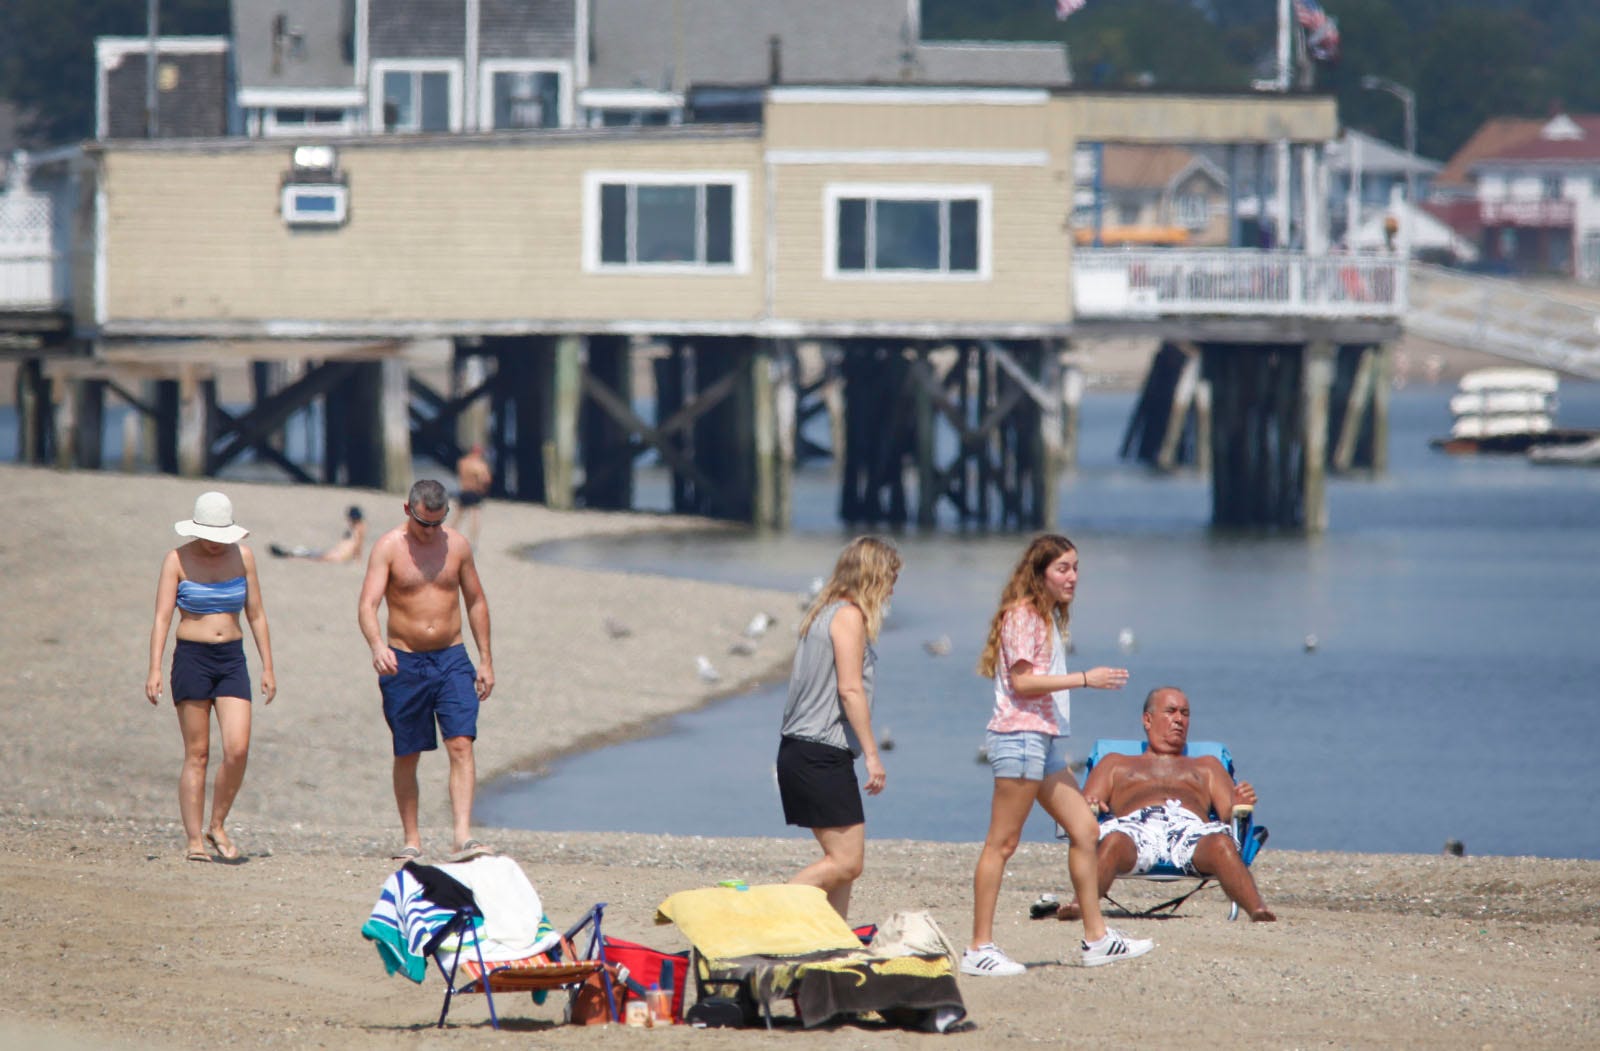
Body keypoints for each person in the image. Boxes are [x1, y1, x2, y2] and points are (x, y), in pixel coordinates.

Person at [963, 534, 1153, 975]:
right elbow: (1022, 682)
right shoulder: (1023, 615)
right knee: (1002, 843)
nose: (1072, 577)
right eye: (1062, 568)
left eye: (1075, 568)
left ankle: (1097, 939)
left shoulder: (1044, 615)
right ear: (1040, 573)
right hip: (1019, 738)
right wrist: (1086, 678)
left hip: (1043, 742)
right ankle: (978, 949)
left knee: (1085, 830)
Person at [358, 479, 495, 863]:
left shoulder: (457, 546)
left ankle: (462, 836)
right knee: (408, 751)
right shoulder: (388, 548)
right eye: (423, 523)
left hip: (452, 658)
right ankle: (412, 839)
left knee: (461, 742)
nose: (430, 531)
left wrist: (486, 659)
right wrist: (377, 646)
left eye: (438, 523)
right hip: (404, 661)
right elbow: (368, 605)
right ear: (408, 510)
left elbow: (476, 601)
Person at [1054, 686, 1275, 922]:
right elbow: (1084, 806)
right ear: (1147, 720)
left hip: (1191, 830)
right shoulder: (1114, 764)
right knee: (1114, 842)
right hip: (1134, 828)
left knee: (1222, 843)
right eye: (1171, 711)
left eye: (1185, 713)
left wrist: (1239, 802)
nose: (1179, 719)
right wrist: (1090, 802)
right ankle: (1080, 905)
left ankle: (1258, 910)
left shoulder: (1208, 766)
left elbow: (1228, 815)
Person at [145, 491, 276, 863]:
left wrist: (268, 666)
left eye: (221, 536)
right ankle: (194, 840)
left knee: (237, 749)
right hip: (192, 658)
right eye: (209, 536)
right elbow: (162, 618)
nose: (215, 544)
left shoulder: (243, 557)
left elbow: (256, 614)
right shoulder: (176, 560)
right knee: (198, 753)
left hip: (232, 659)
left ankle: (216, 824)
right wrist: (154, 668)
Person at [776, 536, 900, 919]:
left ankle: (837, 941)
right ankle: (765, 912)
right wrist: (874, 756)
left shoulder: (822, 612)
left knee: (842, 863)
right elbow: (850, 689)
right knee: (847, 862)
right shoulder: (848, 616)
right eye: (890, 580)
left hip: (802, 750)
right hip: (819, 752)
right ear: (874, 577)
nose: (892, 590)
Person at [269, 506, 367, 563]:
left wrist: (358, 558)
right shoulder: (356, 528)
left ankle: (289, 554)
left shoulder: (359, 528)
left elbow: (359, 544)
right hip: (336, 554)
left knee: (311, 555)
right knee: (312, 554)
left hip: (337, 556)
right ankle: (290, 553)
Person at [453, 444, 491, 546]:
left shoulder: (462, 462)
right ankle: (473, 541)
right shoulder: (480, 465)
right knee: (475, 517)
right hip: (475, 492)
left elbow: (460, 475)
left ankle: (449, 536)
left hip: (464, 491)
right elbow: (485, 479)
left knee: (457, 517)